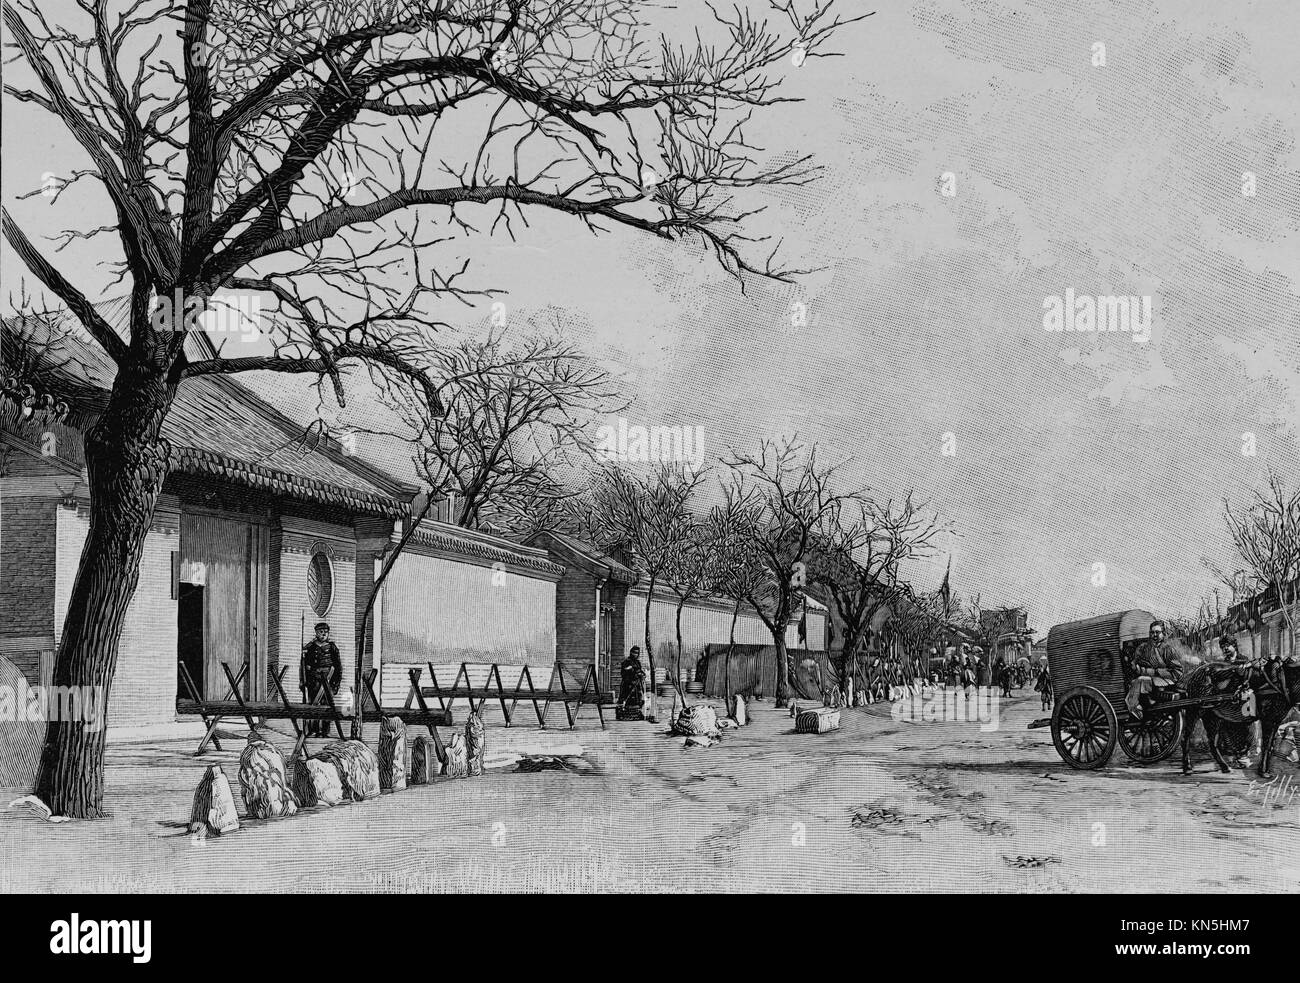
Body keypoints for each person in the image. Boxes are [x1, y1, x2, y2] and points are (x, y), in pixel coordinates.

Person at [1124, 620, 1182, 719]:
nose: (1154, 635)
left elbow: (1177, 672)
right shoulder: (1143, 648)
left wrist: (1154, 672)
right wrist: (1136, 667)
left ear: (1163, 634)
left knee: (1142, 680)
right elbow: (1134, 664)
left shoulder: (1168, 650)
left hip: (1165, 681)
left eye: (1157, 632)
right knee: (1139, 680)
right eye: (1152, 632)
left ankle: (1135, 706)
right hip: (1148, 681)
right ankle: (1135, 707)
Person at [301, 621, 342, 737]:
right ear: (316, 633)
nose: (323, 634)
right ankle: (313, 729)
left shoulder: (332, 647)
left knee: (327, 705)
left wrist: (336, 683)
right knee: (314, 705)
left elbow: (338, 667)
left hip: (328, 679)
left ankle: (324, 731)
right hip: (314, 680)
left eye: (325, 632)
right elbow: (306, 666)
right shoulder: (311, 647)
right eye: (321, 632)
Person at [618, 646, 646, 720]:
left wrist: (642, 674)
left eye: (637, 653)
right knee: (628, 699)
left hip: (637, 684)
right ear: (631, 652)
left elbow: (639, 670)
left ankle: (636, 714)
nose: (635, 654)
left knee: (638, 699)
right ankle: (626, 715)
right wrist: (632, 671)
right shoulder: (626, 661)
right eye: (634, 652)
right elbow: (624, 673)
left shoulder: (637, 662)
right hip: (628, 684)